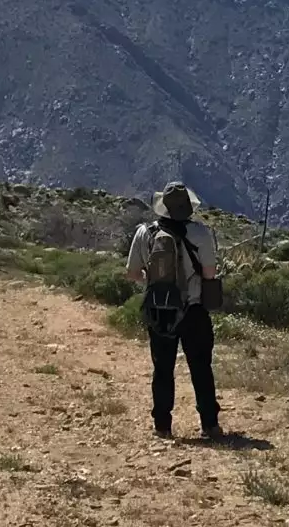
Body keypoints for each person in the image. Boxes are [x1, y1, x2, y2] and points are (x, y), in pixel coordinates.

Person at [125, 181, 222, 440]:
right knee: (201, 367)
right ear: (188, 207)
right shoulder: (200, 233)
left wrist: (152, 281)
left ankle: (162, 426)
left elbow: (132, 272)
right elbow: (210, 273)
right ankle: (210, 425)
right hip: (193, 309)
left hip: (160, 309)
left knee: (163, 368)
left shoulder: (145, 232)